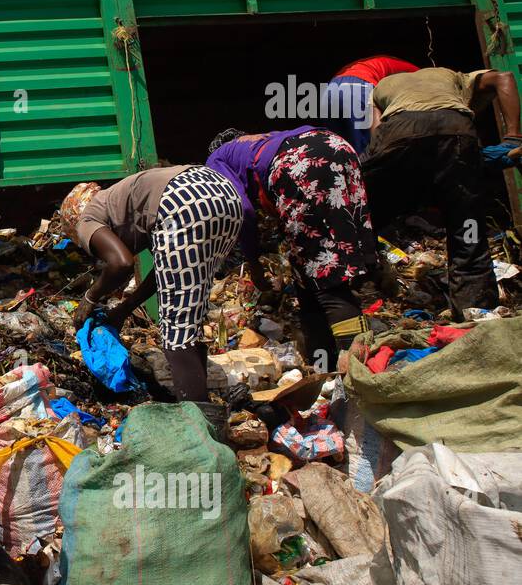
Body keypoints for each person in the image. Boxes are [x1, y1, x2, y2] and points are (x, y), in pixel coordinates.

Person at [65, 164, 243, 424]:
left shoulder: (86, 218)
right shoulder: (119, 202)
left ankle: (199, 429)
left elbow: (121, 264)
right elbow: (164, 270)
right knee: (189, 320)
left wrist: (90, 298)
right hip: (223, 196)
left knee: (176, 333)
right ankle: (204, 411)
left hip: (182, 201)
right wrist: (125, 309)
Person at [207, 126, 376, 371]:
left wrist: (253, 262)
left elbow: (242, 210)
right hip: (338, 145)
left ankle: (356, 370)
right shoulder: (262, 139)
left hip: (303, 164)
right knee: (307, 277)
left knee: (328, 282)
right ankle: (323, 367)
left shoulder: (216, 159)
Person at [360, 66, 520, 317]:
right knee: (466, 225)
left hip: (398, 133)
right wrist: (513, 137)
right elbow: (504, 77)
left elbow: (377, 133)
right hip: (455, 130)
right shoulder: (457, 77)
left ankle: (362, 283)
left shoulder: (380, 88)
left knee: (365, 211)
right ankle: (474, 310)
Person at [325, 55, 419, 155]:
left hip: (330, 89)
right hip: (357, 85)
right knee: (371, 150)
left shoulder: (376, 63)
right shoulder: (420, 73)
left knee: (337, 149)